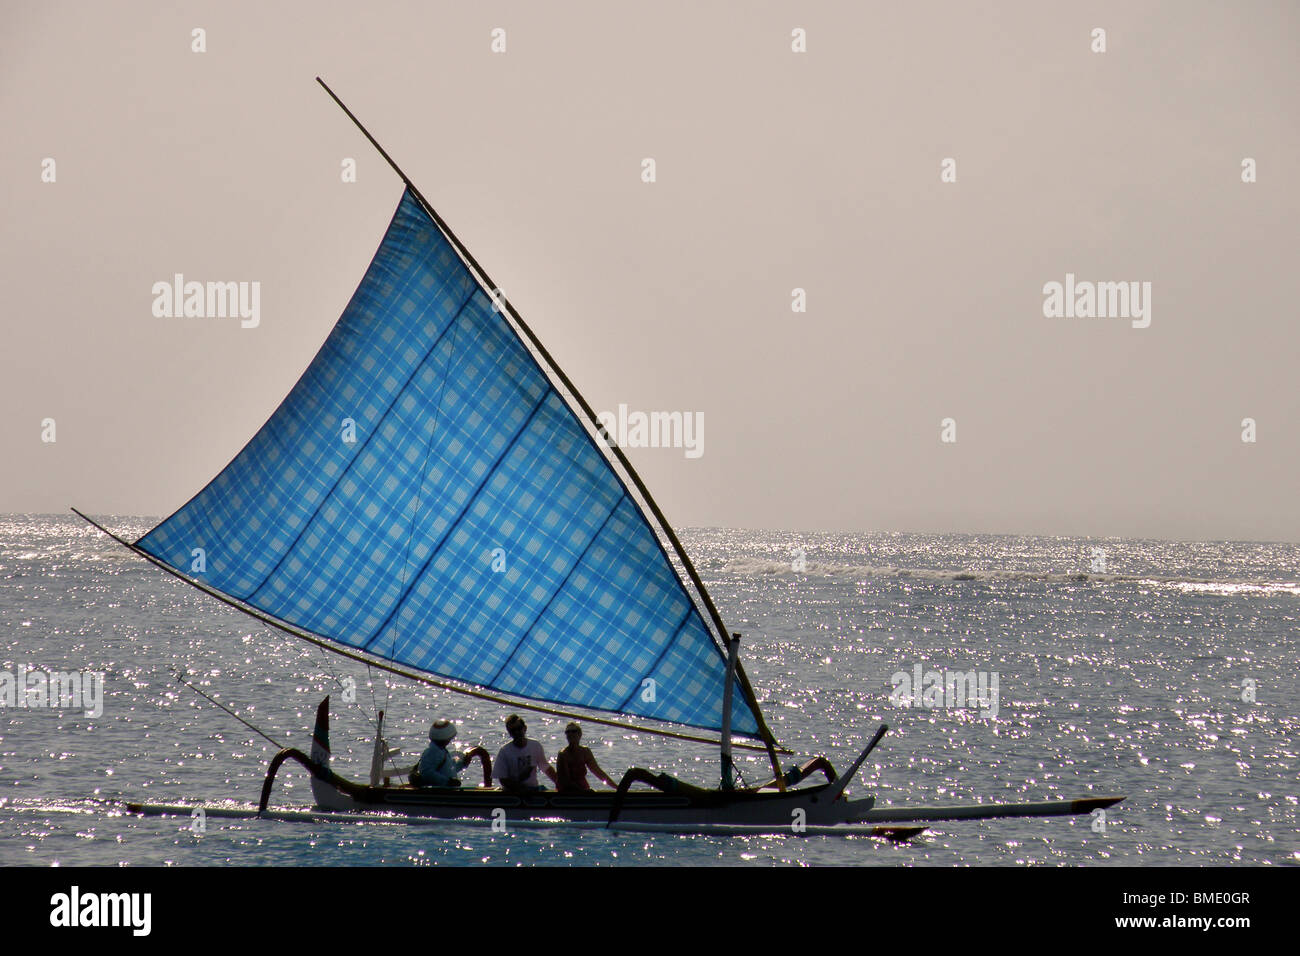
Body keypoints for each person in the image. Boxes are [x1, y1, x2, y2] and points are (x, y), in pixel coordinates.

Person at [493, 714, 557, 792]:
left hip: (533, 790)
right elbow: (503, 779)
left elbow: (546, 768)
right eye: (513, 730)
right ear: (509, 732)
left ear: (525, 728)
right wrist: (519, 787)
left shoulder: (535, 745)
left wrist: (560, 784)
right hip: (512, 792)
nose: (516, 732)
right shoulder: (504, 751)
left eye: (519, 729)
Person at [555, 722, 619, 792]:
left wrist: (616, 787)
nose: (570, 734)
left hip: (583, 789)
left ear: (579, 734)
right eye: (567, 732)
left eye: (573, 731)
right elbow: (565, 781)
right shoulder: (563, 754)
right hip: (568, 792)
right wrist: (583, 792)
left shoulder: (585, 751)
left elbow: (597, 771)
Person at [411, 718, 472, 788]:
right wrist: (447, 782)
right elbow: (426, 773)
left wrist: (462, 764)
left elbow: (449, 769)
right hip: (438, 794)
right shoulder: (432, 752)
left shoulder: (442, 751)